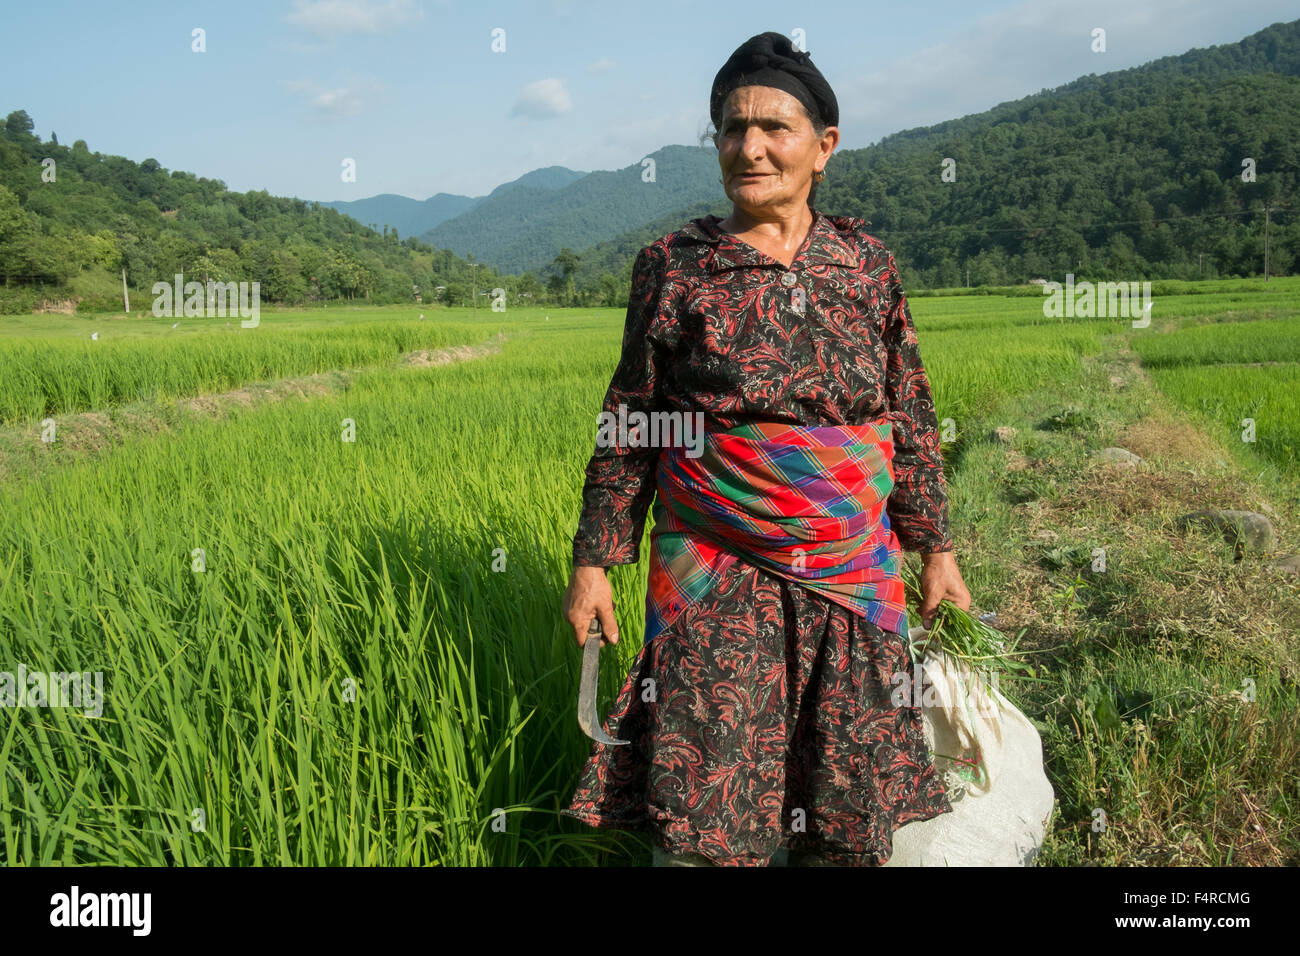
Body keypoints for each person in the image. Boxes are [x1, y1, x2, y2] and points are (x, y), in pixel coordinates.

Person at [560, 31, 971, 867]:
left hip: (850, 562)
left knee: (845, 787)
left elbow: (911, 413)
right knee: (710, 782)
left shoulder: (865, 264)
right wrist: (596, 559)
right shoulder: (675, 268)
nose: (749, 147)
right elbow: (633, 418)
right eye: (730, 127)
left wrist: (936, 549)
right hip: (717, 556)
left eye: (774, 128)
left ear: (824, 147)